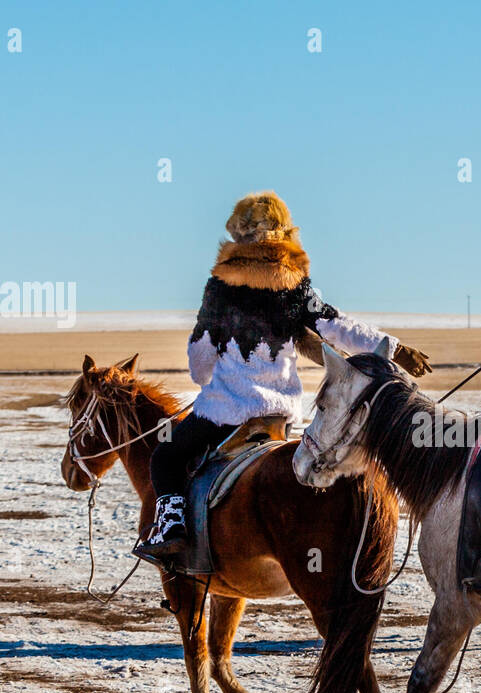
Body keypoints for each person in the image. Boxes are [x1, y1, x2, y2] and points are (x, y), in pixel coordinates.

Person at [135, 191, 432, 558]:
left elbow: (200, 361)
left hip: (225, 412)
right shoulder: (294, 286)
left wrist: (208, 375)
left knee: (165, 457)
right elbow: (337, 326)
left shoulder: (221, 289)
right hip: (281, 414)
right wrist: (394, 348)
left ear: (240, 235)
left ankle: (173, 529)